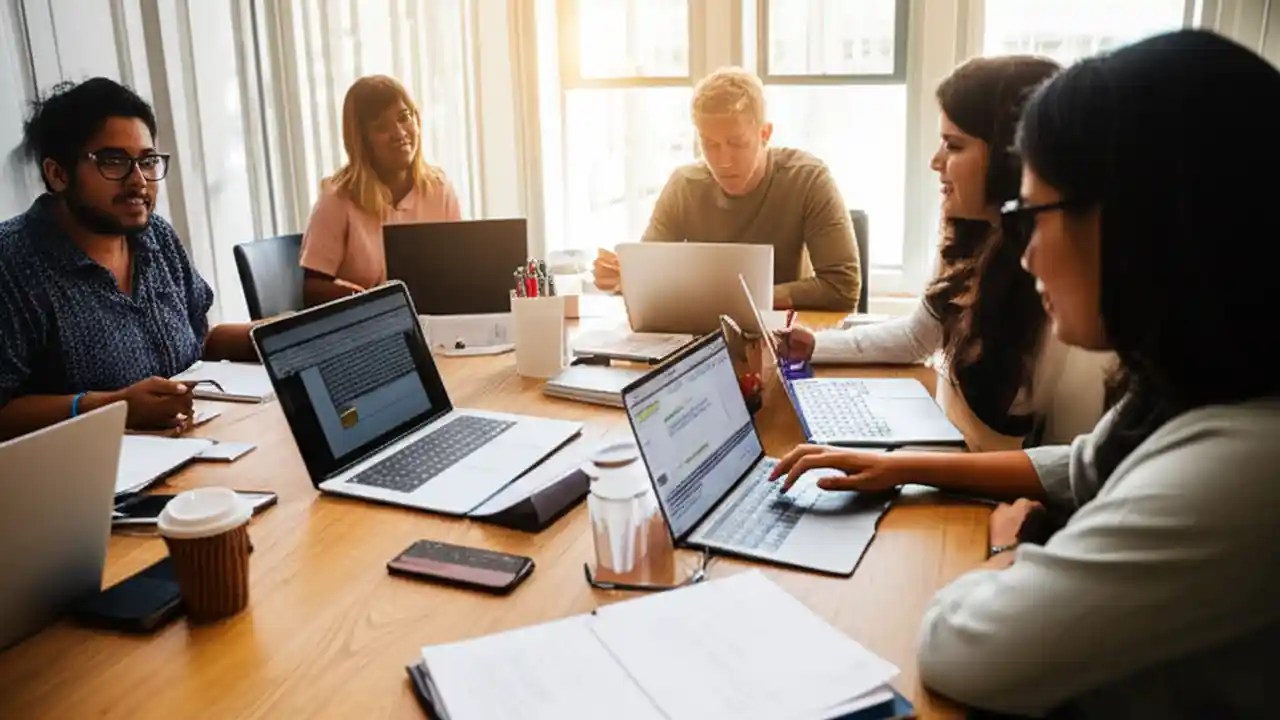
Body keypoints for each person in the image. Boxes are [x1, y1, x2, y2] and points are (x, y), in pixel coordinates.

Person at [774, 30, 1280, 717]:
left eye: (1035, 215)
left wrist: (1012, 549)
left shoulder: (1243, 467)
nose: (1029, 252)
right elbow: (1083, 466)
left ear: (1143, 221)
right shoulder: (1194, 392)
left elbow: (958, 645)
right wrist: (902, 466)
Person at [777, 56, 1112, 451]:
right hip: (952, 462)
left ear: (1010, 156)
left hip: (989, 498)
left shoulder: (1063, 281)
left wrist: (907, 468)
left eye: (953, 145)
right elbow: (916, 335)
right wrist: (816, 345)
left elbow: (1063, 468)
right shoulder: (969, 238)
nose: (936, 162)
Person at [0, 78, 257, 440]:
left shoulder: (156, 236)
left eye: (148, 161)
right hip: (88, 479)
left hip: (195, 450)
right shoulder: (12, 263)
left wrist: (274, 336)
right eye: (114, 161)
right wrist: (112, 408)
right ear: (58, 174)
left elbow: (198, 339)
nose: (139, 181)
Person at [592, 66, 861, 311]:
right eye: (710, 144)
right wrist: (625, 279)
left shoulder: (808, 179)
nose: (723, 160)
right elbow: (649, 279)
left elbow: (843, 287)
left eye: (737, 143)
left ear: (764, 134)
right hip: (702, 339)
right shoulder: (684, 186)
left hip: (783, 343)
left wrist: (743, 299)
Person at [300, 75, 462, 306]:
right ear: (362, 141)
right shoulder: (337, 198)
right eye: (382, 127)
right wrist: (373, 302)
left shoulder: (439, 189)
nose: (399, 133)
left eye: (404, 117)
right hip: (364, 326)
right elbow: (313, 289)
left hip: (433, 323)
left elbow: (457, 271)